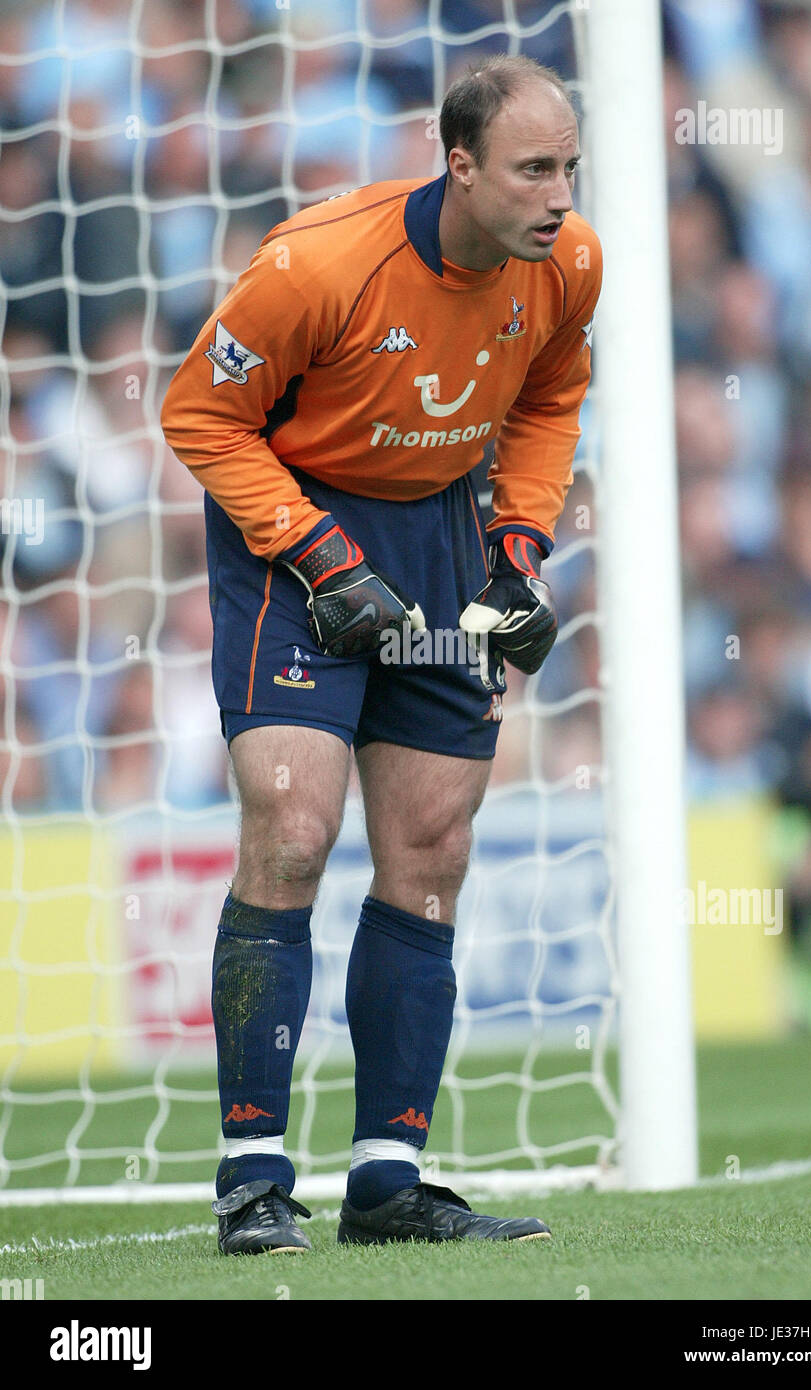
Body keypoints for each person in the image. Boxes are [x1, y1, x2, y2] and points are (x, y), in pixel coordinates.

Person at [161, 53, 602, 1253]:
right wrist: (316, 553)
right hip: (294, 532)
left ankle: (386, 1180)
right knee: (292, 835)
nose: (560, 193)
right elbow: (199, 413)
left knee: (430, 849)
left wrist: (517, 549)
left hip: (442, 530)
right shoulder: (319, 262)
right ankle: (253, 1175)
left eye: (568, 165)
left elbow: (552, 395)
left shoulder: (567, 264)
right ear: (457, 165)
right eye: (532, 169)